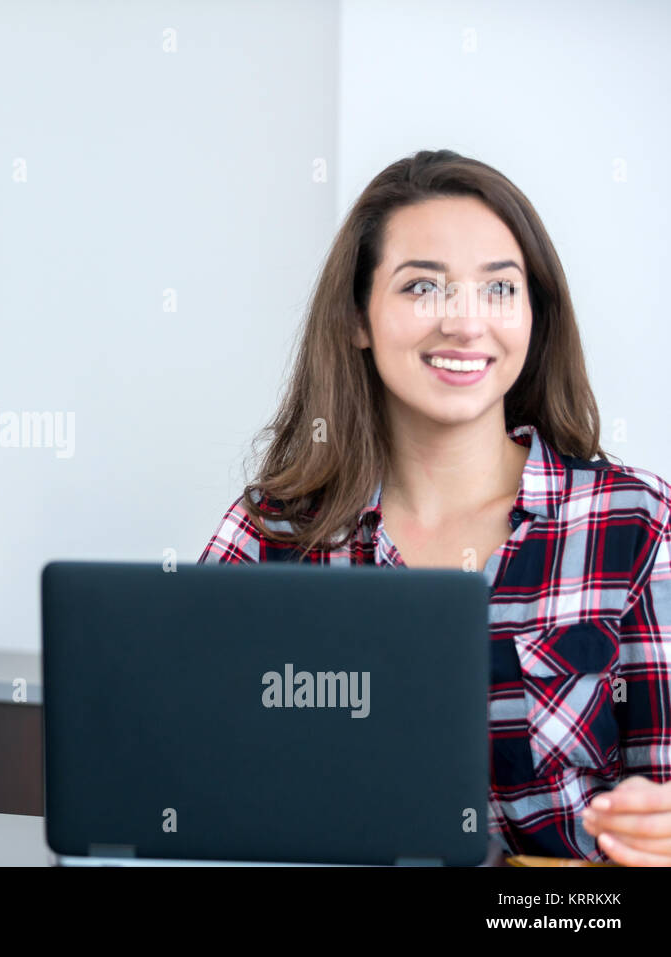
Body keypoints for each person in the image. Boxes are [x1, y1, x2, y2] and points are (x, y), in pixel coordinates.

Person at [199, 149, 671, 865]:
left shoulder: (635, 524)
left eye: (499, 289)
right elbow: (191, 772)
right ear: (359, 318)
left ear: (534, 316)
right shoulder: (274, 531)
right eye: (423, 287)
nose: (464, 323)